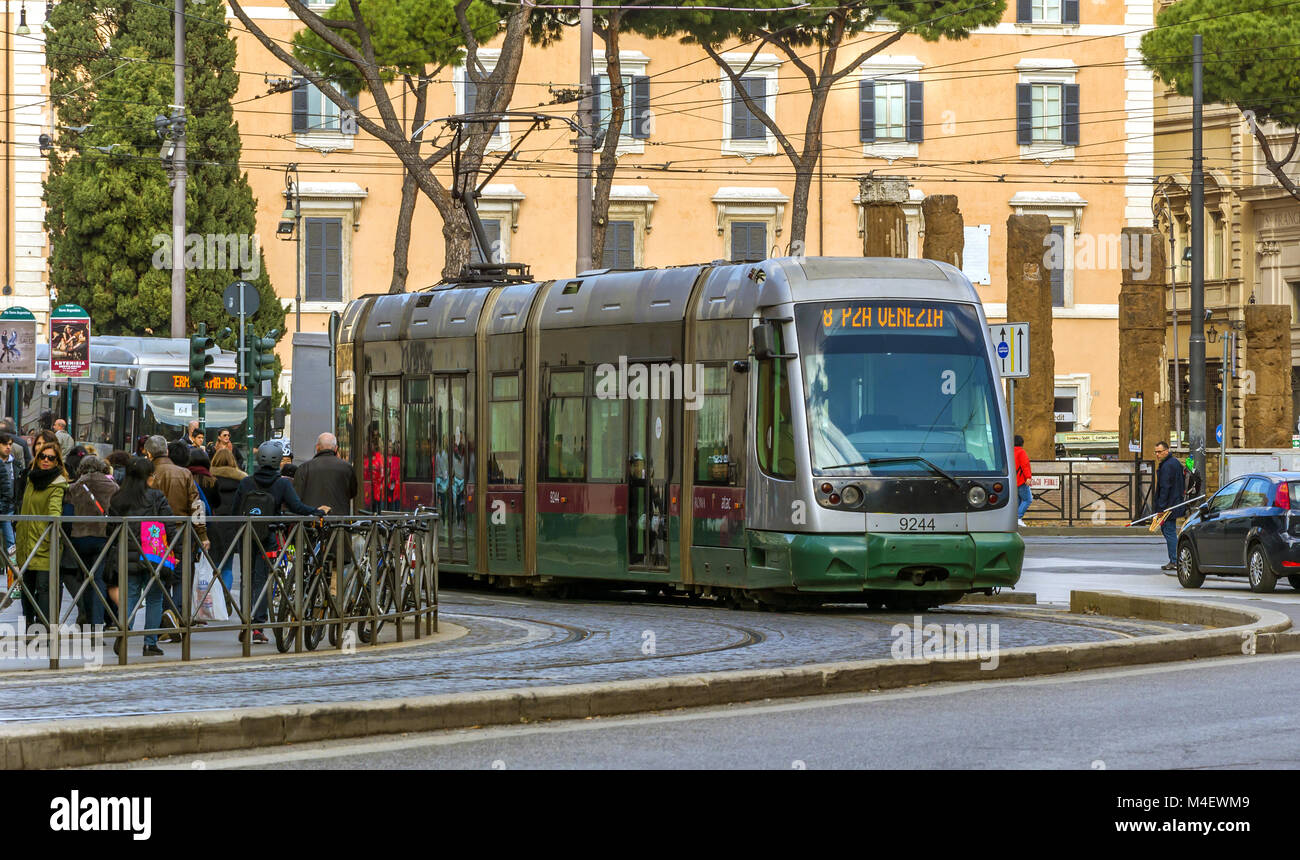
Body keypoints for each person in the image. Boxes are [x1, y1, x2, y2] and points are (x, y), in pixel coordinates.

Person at [231, 440, 328, 644]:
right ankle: (257, 626)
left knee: (246, 581)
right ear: (277, 462)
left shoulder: (246, 482)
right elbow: (297, 507)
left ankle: (245, 623)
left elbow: (234, 512)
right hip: (269, 537)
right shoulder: (282, 483)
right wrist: (316, 511)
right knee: (263, 581)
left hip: (247, 536)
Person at [107, 457, 172, 656]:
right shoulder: (156, 496)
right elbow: (169, 524)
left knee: (130, 596)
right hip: (153, 554)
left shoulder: (118, 498)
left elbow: (111, 529)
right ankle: (150, 643)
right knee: (154, 597)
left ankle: (123, 634)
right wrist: (175, 551)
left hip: (127, 555)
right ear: (147, 477)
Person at [143, 436, 210, 613]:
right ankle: (178, 615)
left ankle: (164, 615)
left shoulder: (148, 474)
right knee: (181, 576)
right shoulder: (184, 473)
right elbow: (196, 506)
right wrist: (202, 534)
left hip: (154, 533)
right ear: (166, 451)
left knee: (159, 576)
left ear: (148, 454)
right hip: (182, 531)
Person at [15, 440, 69, 631]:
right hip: (25, 541)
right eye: (42, 457)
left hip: (44, 543)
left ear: (57, 462)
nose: (46, 460)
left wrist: (52, 533)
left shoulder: (57, 484)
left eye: (51, 458)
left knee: (44, 588)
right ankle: (29, 624)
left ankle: (44, 628)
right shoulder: (31, 478)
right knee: (26, 587)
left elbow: (55, 511)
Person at [66, 455, 119, 627]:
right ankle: (96, 625)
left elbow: (68, 513)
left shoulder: (73, 487)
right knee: (98, 581)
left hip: (79, 538)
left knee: (84, 580)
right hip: (102, 538)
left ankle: (87, 621)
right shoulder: (112, 486)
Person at [208, 448, 246, 597]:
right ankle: (225, 596)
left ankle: (215, 597)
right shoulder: (241, 480)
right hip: (232, 526)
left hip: (213, 525)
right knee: (228, 566)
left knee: (214, 563)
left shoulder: (209, 478)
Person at [294, 432, 358, 516]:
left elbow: (297, 495)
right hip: (339, 522)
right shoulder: (347, 468)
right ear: (336, 449)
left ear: (317, 447)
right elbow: (353, 492)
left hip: (311, 522)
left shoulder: (304, 468)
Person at [1154, 440, 1185, 571]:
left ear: (1166, 451)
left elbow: (1165, 488)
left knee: (1169, 531)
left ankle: (1175, 560)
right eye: (1156, 452)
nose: (1157, 454)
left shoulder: (1167, 466)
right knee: (1169, 530)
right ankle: (1177, 559)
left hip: (1169, 505)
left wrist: (1161, 508)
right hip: (1175, 502)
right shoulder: (1175, 463)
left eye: (1159, 452)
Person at [0, 432, 17, 559]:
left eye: (10, 444)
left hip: (10, 507)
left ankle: (13, 567)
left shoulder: (15, 464)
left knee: (11, 540)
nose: (8, 447)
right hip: (2, 504)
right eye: (4, 444)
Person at [1014, 435, 1032, 527]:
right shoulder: (1021, 452)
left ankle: (1014, 519)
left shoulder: (1009, 452)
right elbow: (1025, 465)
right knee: (1027, 499)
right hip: (1021, 480)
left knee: (1018, 500)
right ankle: (1018, 518)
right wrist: (1028, 477)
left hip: (1013, 480)